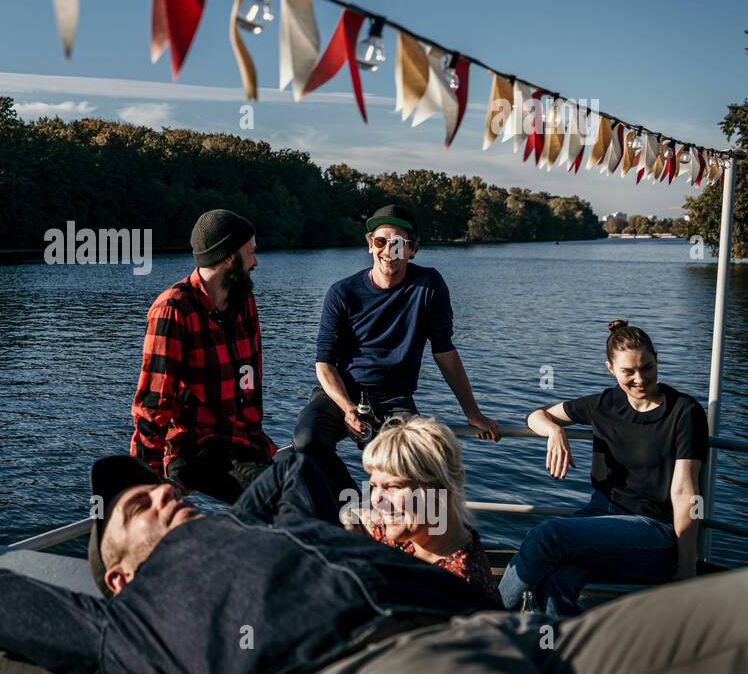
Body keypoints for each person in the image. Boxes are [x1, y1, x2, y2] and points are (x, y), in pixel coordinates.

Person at [0, 451, 748, 674]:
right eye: (137, 509)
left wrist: (242, 516)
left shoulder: (279, 528)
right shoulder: (123, 626)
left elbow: (302, 460)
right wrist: (106, 618)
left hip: (538, 647)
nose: (161, 493)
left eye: (160, 486)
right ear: (117, 575)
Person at [499, 320, 708, 617]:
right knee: (556, 581)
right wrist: (555, 432)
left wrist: (687, 568)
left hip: (653, 533)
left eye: (647, 367)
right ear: (610, 369)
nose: (640, 379)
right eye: (628, 372)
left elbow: (686, 491)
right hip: (600, 520)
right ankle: (556, 654)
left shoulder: (684, 412)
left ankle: (482, 623)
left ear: (657, 360)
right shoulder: (604, 404)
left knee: (549, 535)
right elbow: (536, 415)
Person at [293, 203, 500, 501]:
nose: (388, 249)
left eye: (398, 242)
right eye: (380, 241)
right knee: (306, 443)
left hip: (393, 397)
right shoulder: (342, 293)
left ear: (412, 249)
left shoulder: (428, 286)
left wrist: (472, 411)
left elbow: (445, 353)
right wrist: (348, 409)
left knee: (417, 465)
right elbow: (325, 364)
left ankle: (410, 535)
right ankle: (354, 510)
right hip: (340, 392)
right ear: (369, 246)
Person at [128, 209, 275, 504]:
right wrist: (147, 480)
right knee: (280, 497)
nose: (256, 262)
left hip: (244, 443)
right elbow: (153, 404)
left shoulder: (243, 301)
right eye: (251, 253)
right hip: (196, 448)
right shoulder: (173, 308)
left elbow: (250, 387)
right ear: (229, 257)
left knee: (310, 481)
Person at [347, 416, 500, 605]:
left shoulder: (459, 589)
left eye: (393, 487)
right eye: (374, 486)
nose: (376, 499)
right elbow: (357, 516)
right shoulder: (412, 539)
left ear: (440, 490)